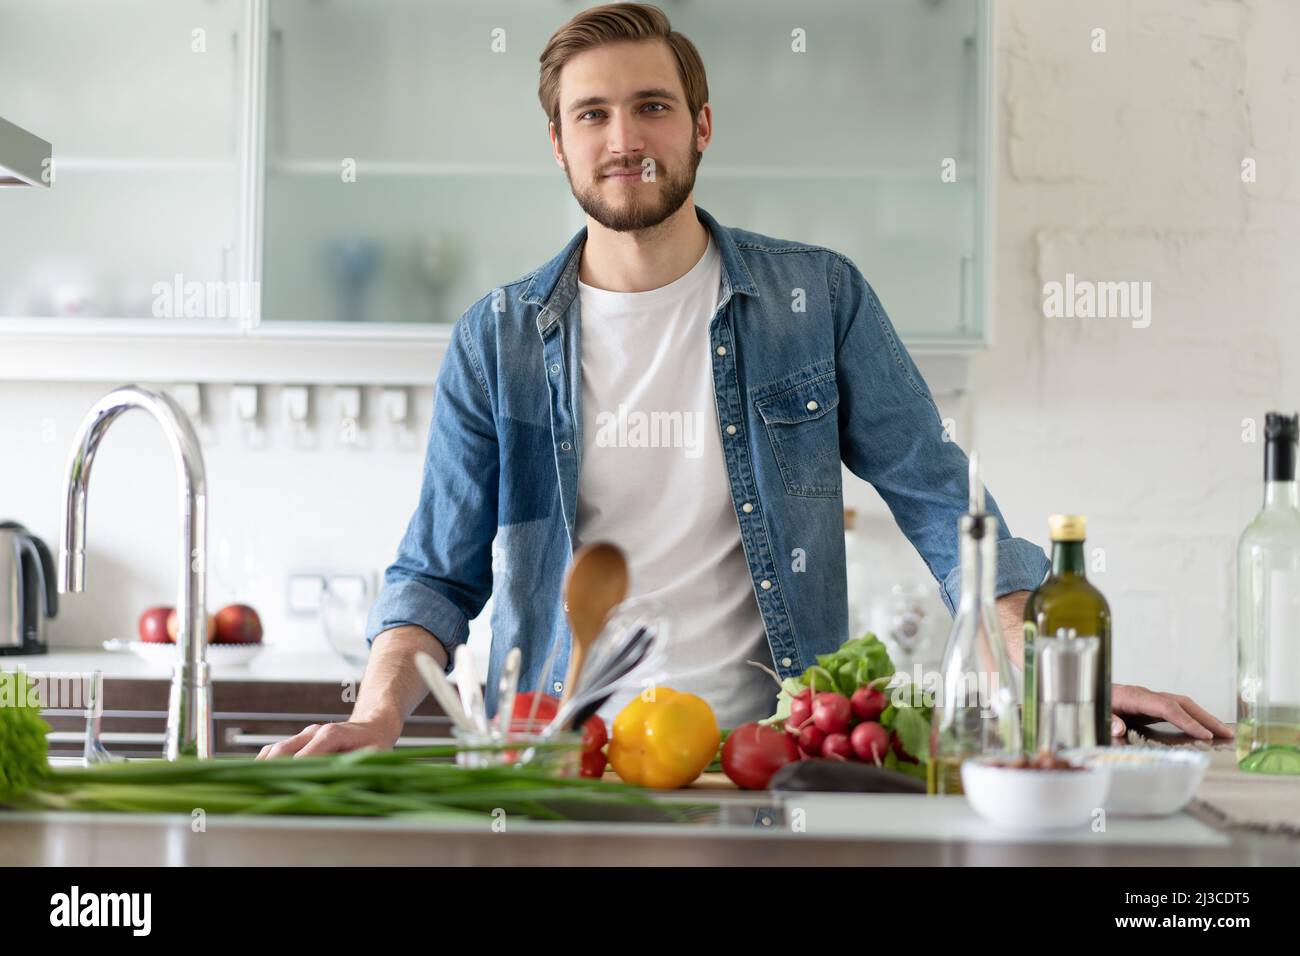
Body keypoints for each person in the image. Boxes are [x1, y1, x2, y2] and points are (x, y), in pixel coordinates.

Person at [260, 3, 1230, 759]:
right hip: (557, 764)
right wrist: (378, 709)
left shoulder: (817, 297)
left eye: (652, 105)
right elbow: (435, 571)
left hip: (768, 758)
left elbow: (946, 508)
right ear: (558, 143)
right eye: (591, 113)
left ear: (701, 125)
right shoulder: (497, 339)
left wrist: (1053, 676)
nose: (623, 136)